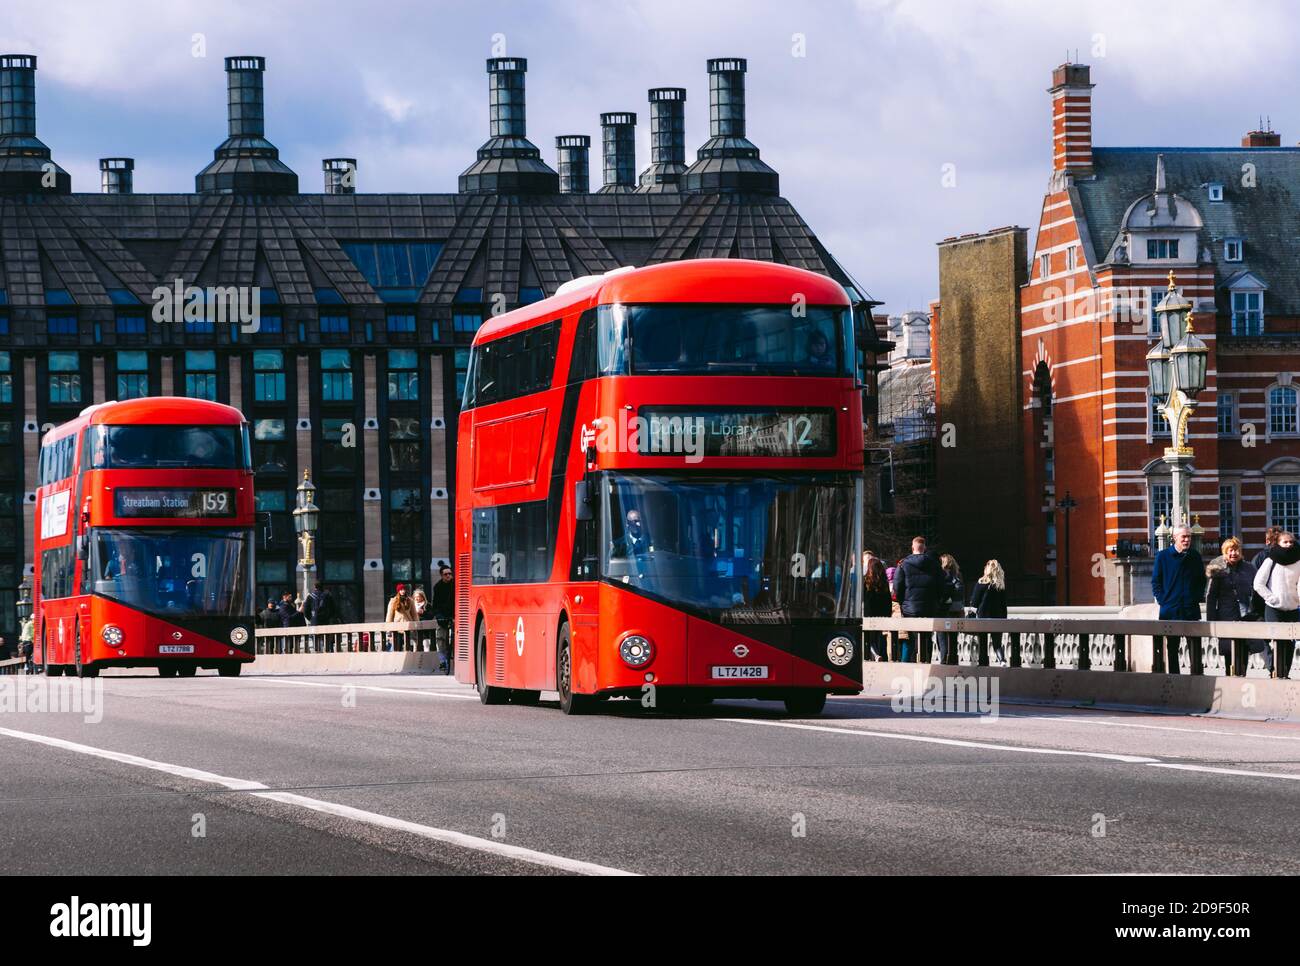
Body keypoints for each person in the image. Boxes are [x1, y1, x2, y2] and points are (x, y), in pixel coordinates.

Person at [1151, 525, 1206, 674]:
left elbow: (1201, 581)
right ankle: (1174, 678)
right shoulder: (1162, 556)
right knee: (1172, 648)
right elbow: (1156, 582)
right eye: (1184, 537)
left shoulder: (1195, 556)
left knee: (1194, 646)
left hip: (1190, 609)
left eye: (1189, 537)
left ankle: (1196, 677)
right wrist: (1164, 601)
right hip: (1171, 610)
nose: (1187, 540)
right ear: (1175, 538)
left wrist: (1196, 597)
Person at [1205, 538, 1260, 676]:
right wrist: (1211, 621)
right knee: (1229, 651)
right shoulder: (1218, 571)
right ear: (1225, 553)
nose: (1234, 553)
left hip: (1246, 616)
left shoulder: (1249, 569)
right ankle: (1230, 680)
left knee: (1245, 649)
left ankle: (1242, 677)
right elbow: (1211, 597)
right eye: (1230, 551)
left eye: (1236, 550)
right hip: (1226, 616)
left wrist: (1258, 612)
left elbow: (1257, 590)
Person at [1252, 530, 1300, 679]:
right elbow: (1258, 583)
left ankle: (1285, 674)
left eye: (1291, 542)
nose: (1288, 545)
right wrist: (1272, 598)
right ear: (1278, 543)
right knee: (1278, 640)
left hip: (1292, 607)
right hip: (1273, 608)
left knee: (1290, 643)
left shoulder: (1298, 560)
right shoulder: (1270, 560)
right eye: (1285, 542)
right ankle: (1276, 671)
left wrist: (1298, 598)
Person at [892, 536, 943, 663]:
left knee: (909, 638)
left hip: (909, 608)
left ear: (912, 547)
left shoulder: (903, 564)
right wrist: (937, 601)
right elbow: (941, 586)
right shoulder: (934, 564)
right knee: (927, 637)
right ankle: (926, 662)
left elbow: (897, 587)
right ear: (924, 548)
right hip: (929, 607)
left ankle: (908, 665)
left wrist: (902, 602)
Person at [968, 559, 1008, 665]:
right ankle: (1002, 660)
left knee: (983, 641)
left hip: (983, 617)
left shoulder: (981, 583)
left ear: (987, 569)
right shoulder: (1000, 585)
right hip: (998, 617)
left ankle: (983, 663)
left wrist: (971, 615)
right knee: (997, 643)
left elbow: (975, 602)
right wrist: (1004, 618)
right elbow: (1003, 605)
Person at [862, 555, 892, 661]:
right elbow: (888, 600)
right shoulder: (884, 582)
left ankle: (874, 655)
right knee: (879, 637)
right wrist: (888, 615)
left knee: (868, 638)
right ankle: (880, 654)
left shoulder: (865, 581)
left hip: (868, 613)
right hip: (882, 614)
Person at [937, 553, 964, 664]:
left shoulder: (942, 576)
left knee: (942, 638)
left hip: (944, 610)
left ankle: (943, 661)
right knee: (953, 639)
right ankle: (953, 661)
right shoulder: (959, 575)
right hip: (957, 610)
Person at [431, 564, 455, 674]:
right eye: (446, 574)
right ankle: (442, 661)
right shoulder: (437, 587)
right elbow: (435, 605)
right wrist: (439, 616)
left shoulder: (456, 585)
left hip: (455, 614)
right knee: (441, 638)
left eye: (450, 573)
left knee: (458, 636)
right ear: (442, 575)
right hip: (442, 615)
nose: (449, 576)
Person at [386, 583, 418, 651]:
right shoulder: (393, 601)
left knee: (408, 646)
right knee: (398, 646)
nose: (403, 591)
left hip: (408, 626)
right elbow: (390, 615)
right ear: (398, 591)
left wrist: (417, 625)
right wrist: (388, 628)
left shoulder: (410, 600)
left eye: (404, 589)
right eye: (401, 590)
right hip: (398, 627)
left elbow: (414, 614)